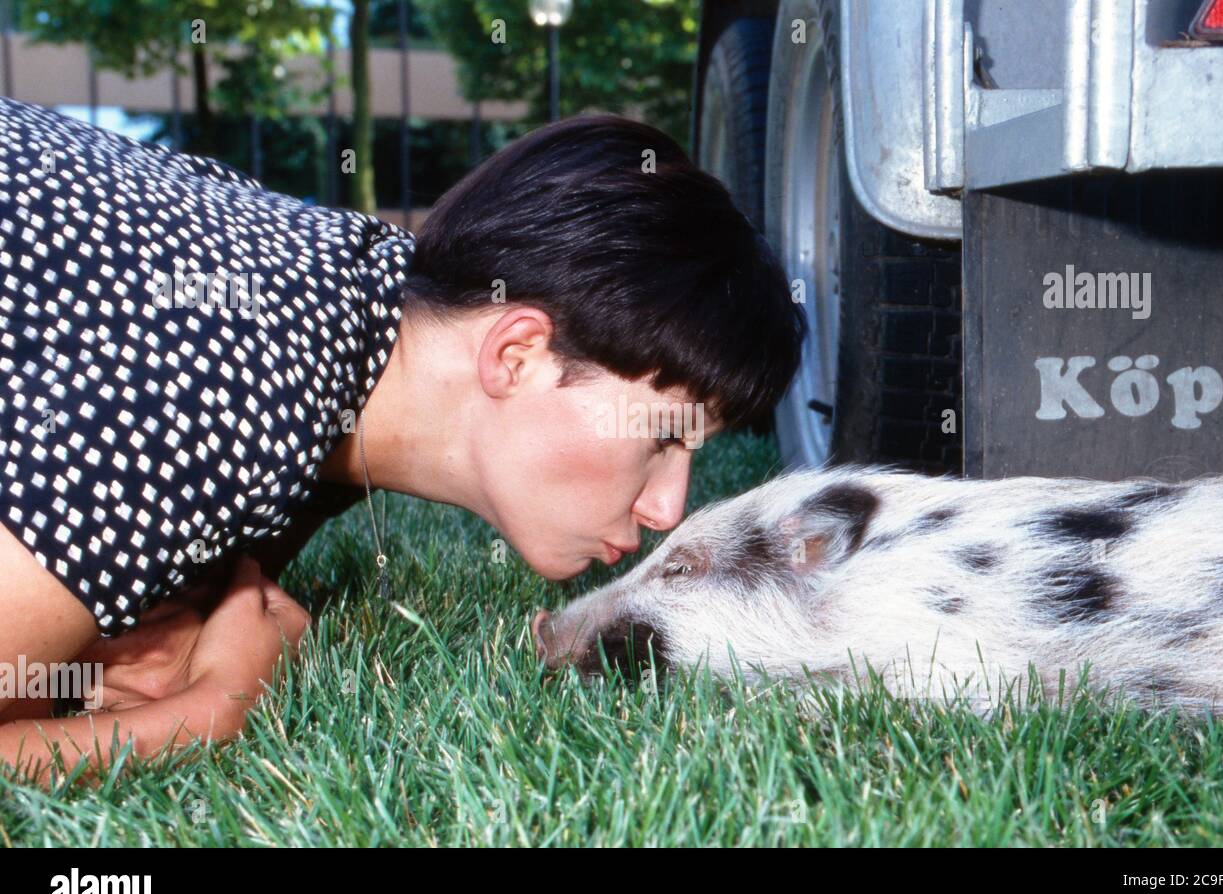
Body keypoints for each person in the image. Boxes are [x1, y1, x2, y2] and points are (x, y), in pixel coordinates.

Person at [0, 95, 806, 783]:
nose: (669, 506)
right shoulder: (239, 378)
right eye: (663, 435)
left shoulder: (357, 308)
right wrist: (211, 709)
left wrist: (168, 612)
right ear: (516, 353)